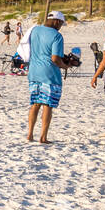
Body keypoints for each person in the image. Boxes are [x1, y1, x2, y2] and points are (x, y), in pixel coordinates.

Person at [26, 10, 71, 143]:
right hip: (49, 74)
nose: (61, 26)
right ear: (57, 21)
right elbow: (55, 58)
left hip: (34, 72)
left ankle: (30, 134)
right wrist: (65, 66)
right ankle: (43, 137)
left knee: (35, 103)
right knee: (47, 105)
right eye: (61, 23)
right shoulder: (57, 36)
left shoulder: (34, 30)